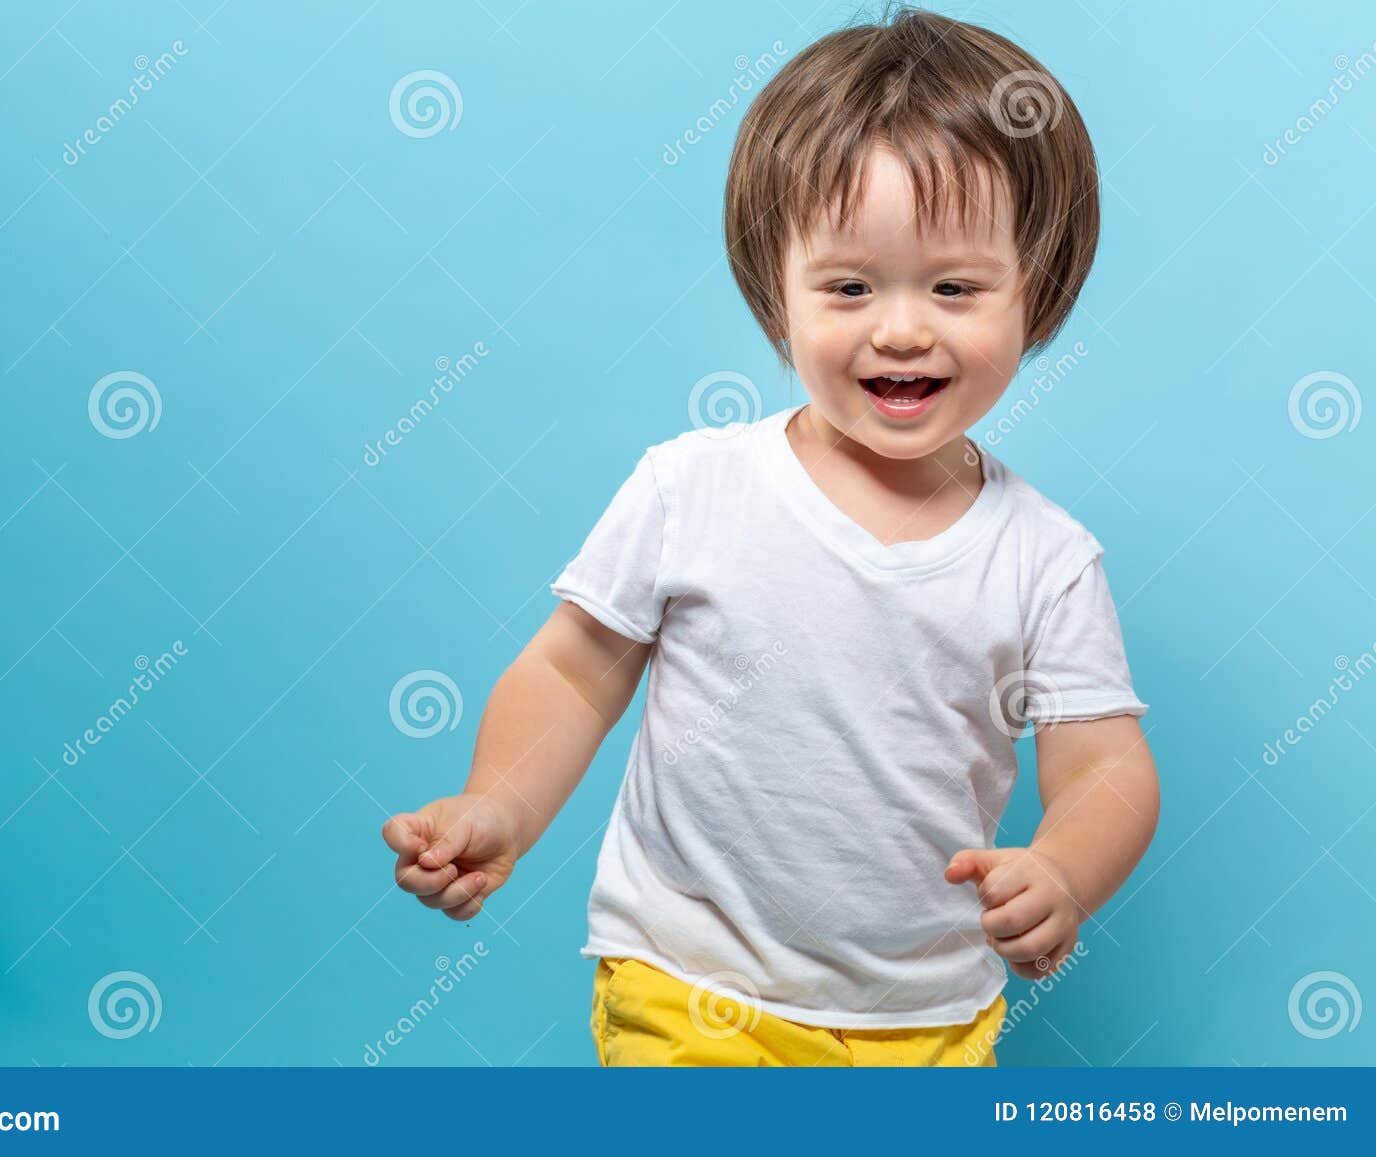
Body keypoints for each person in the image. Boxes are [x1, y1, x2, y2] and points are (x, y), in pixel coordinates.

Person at [382, 5, 1159, 1067]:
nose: (899, 327)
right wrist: (498, 802)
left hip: (921, 1014)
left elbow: (1104, 764)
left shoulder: (1043, 556)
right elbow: (572, 674)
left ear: (1037, 292)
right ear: (774, 290)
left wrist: (1063, 870)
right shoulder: (692, 487)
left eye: (954, 287)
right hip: (685, 979)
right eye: (848, 285)